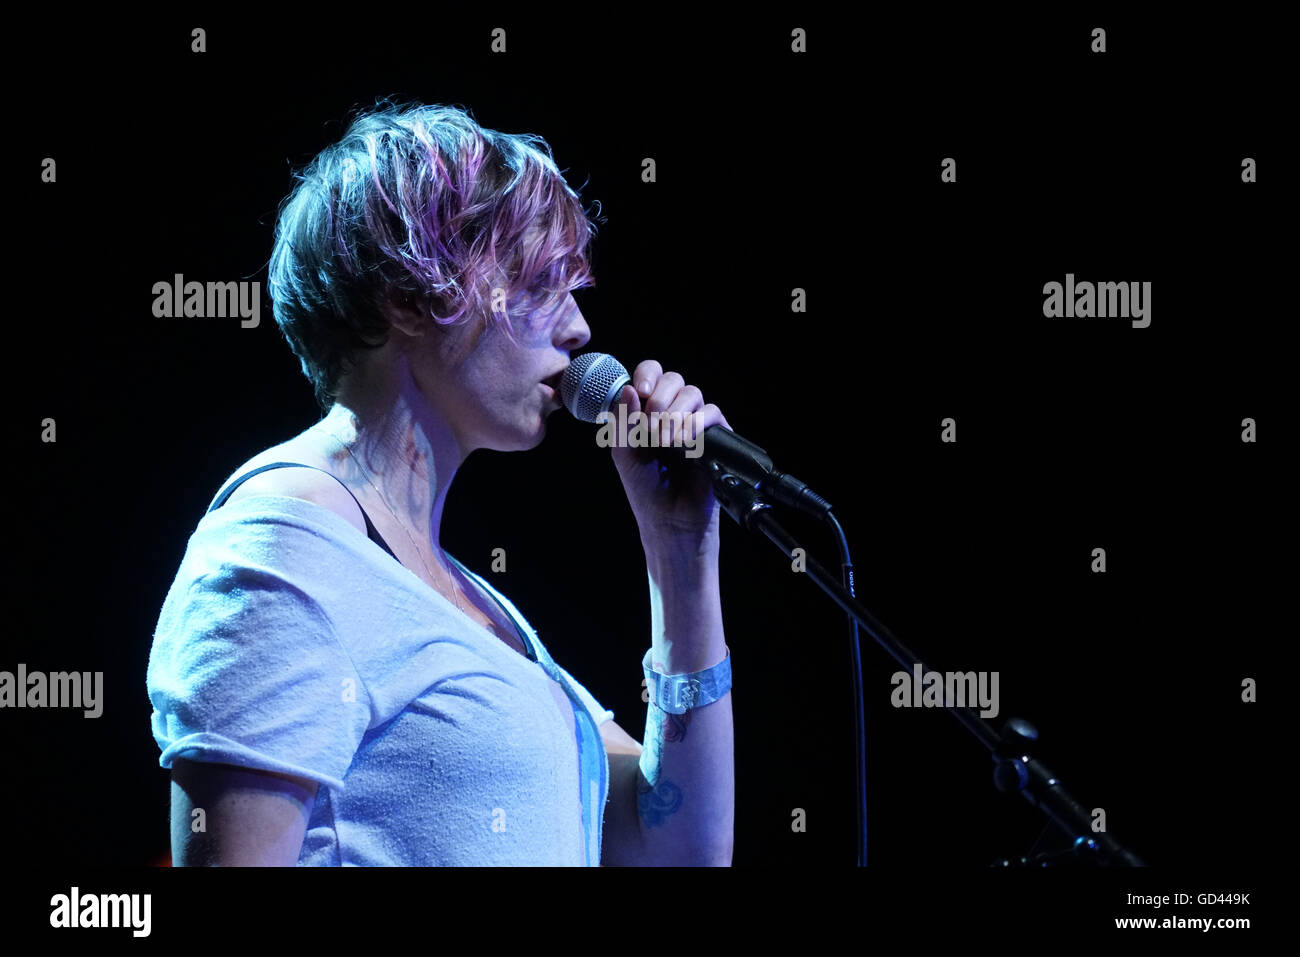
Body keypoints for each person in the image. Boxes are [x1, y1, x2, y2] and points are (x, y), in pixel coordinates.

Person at [146, 100, 735, 866]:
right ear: (411, 291)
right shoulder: (286, 545)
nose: (579, 328)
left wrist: (680, 557)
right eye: (541, 281)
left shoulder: (478, 609)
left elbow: (680, 846)